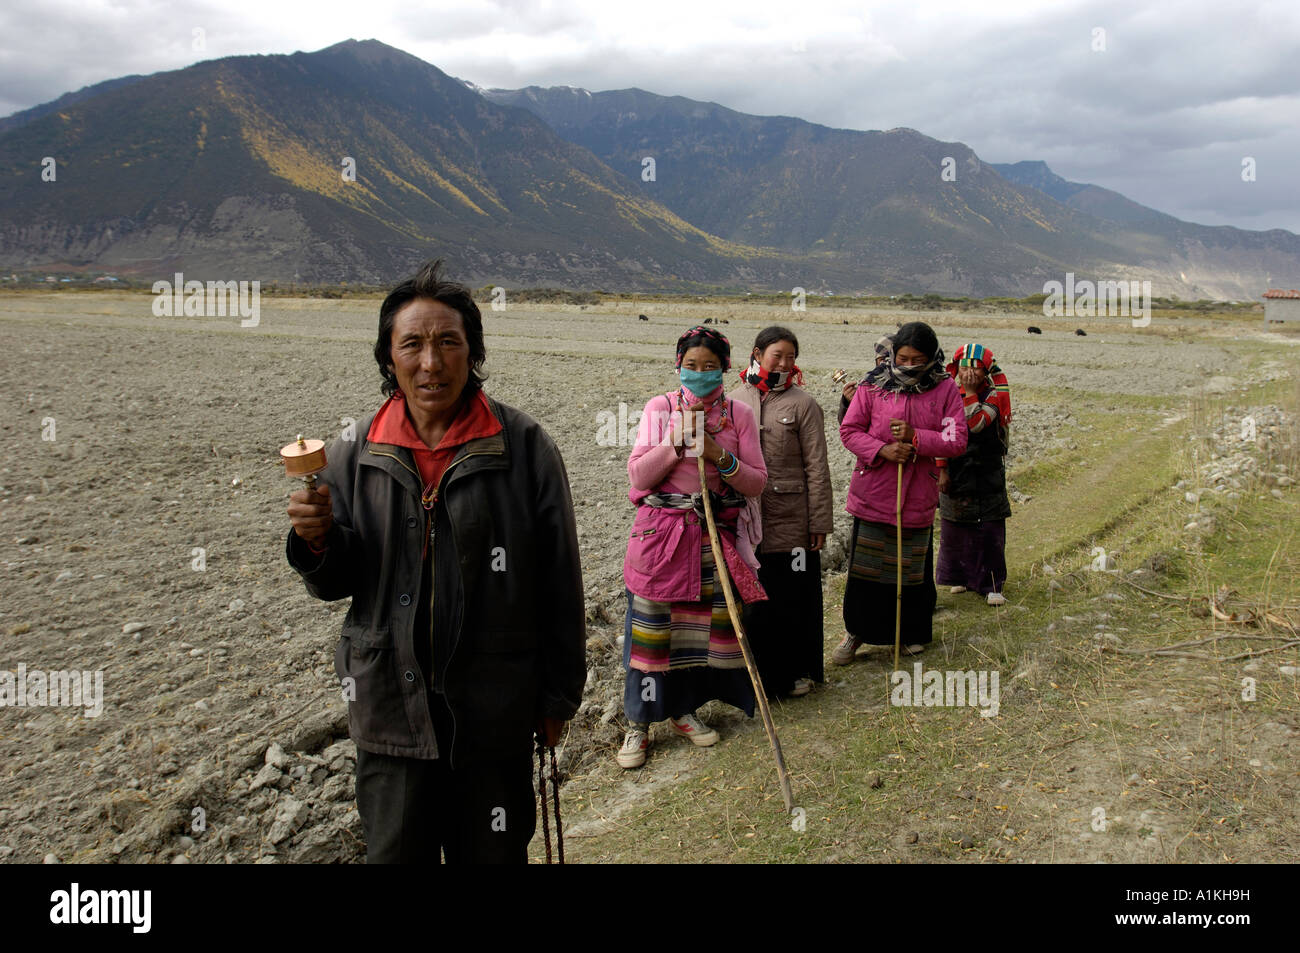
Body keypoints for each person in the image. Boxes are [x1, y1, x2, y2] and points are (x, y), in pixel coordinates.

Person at [285, 260, 586, 863]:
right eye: (413, 344)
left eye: (449, 342)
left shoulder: (523, 447)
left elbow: (559, 581)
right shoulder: (355, 452)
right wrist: (315, 541)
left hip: (494, 714)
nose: (431, 362)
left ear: (472, 351)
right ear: (388, 357)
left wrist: (557, 699)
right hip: (391, 713)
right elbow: (339, 580)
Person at [618, 325, 768, 769]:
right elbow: (639, 478)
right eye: (691, 365)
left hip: (711, 537)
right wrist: (674, 442)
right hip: (660, 537)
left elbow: (757, 481)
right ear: (678, 365)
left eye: (709, 366)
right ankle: (638, 724)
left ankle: (683, 711)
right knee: (650, 629)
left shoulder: (739, 414)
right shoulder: (660, 408)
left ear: (724, 368)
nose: (699, 373)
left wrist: (717, 456)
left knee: (693, 633)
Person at [835, 322, 967, 663]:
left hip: (917, 495)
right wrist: (882, 450)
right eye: (902, 358)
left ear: (932, 357)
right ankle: (856, 633)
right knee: (866, 570)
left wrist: (916, 438)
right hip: (874, 492)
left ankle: (908, 634)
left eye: (916, 359)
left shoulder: (945, 389)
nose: (908, 366)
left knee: (910, 571)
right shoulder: (873, 385)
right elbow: (849, 430)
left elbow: (956, 440)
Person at [728, 326, 833, 698]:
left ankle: (796, 672)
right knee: (756, 599)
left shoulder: (803, 404)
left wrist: (818, 521)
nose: (785, 363)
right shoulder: (734, 400)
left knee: (793, 598)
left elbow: (817, 467)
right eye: (778, 355)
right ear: (757, 354)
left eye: (791, 356)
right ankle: (759, 678)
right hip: (748, 520)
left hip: (793, 520)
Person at [935, 343, 1012, 606]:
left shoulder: (994, 396)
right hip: (957, 472)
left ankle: (992, 585)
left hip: (987, 472)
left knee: (989, 530)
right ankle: (961, 577)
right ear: (956, 369)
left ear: (986, 371)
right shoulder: (947, 395)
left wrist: (969, 393)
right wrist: (942, 470)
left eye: (976, 369)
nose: (970, 374)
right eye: (965, 368)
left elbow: (976, 423)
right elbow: (942, 434)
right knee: (957, 528)